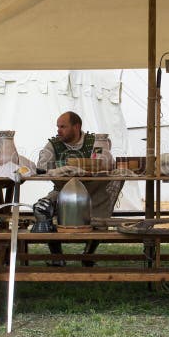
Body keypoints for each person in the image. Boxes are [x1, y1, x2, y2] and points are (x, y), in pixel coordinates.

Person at [36, 111, 121, 266]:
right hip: (62, 192)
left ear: (76, 127)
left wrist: (90, 166)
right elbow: (42, 166)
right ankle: (57, 258)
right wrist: (66, 167)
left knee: (101, 217)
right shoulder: (53, 144)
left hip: (93, 193)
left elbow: (107, 163)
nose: (58, 130)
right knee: (42, 209)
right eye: (58, 127)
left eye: (63, 127)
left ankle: (88, 255)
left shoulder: (94, 142)